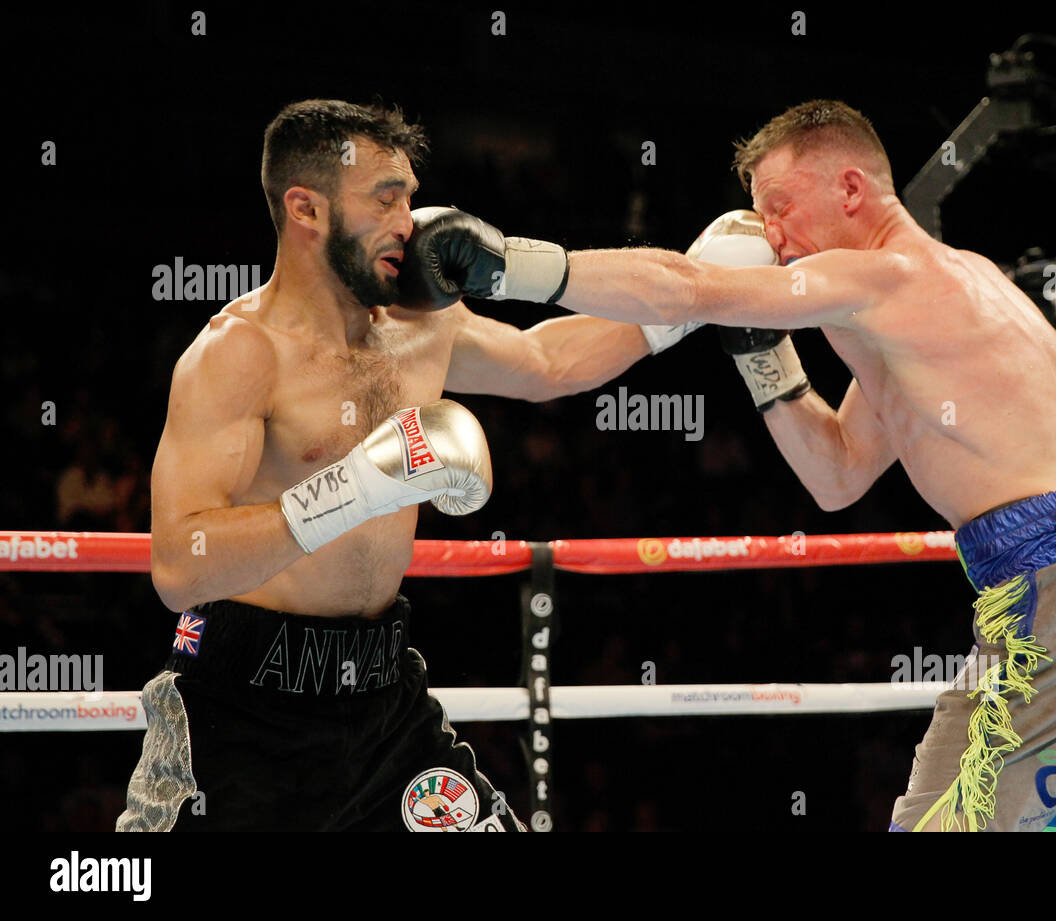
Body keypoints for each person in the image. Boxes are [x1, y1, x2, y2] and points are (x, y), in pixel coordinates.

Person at [405, 99, 1056, 832]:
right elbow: (838, 472)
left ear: (851, 188)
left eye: (779, 207)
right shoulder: (947, 290)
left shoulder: (883, 277)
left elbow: (685, 289)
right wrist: (762, 350)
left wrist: (508, 264)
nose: (770, 235)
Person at [117, 99, 693, 832]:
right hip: (244, 712)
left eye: (411, 199)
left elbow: (551, 360)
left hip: (385, 697)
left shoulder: (422, 327)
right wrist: (354, 489)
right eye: (386, 199)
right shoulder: (236, 354)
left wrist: (694, 299)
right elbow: (180, 567)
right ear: (306, 209)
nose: (408, 223)